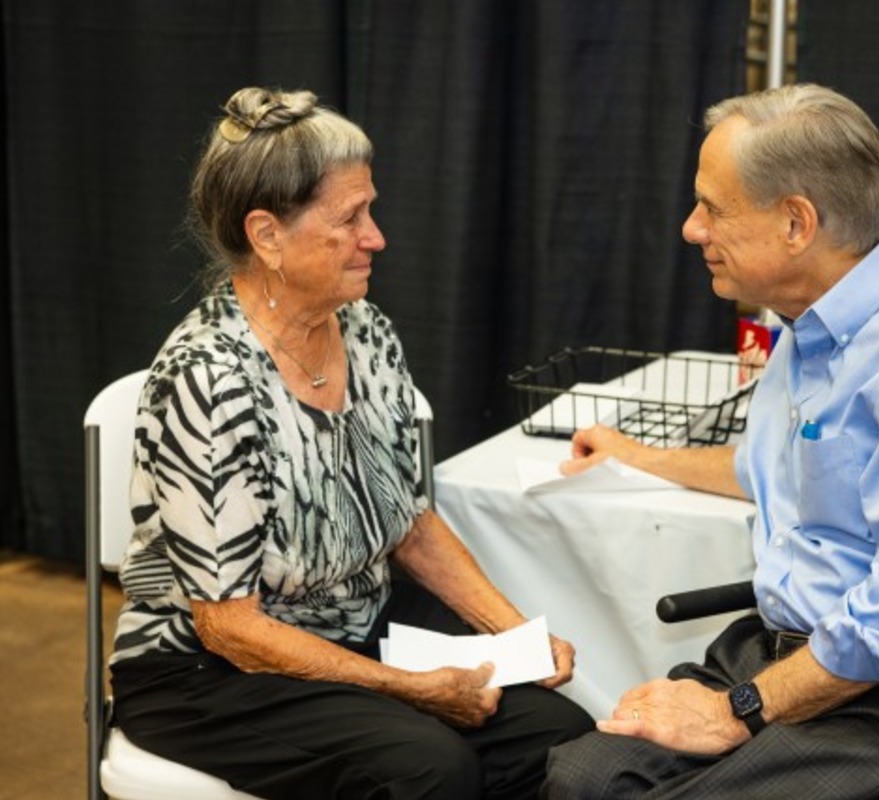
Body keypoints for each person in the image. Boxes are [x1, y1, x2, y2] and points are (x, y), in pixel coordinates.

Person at [541, 83, 879, 799]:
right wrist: (636, 455)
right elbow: (776, 471)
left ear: (796, 223)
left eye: (712, 209)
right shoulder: (809, 323)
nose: (692, 229)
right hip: (790, 658)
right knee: (581, 778)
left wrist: (737, 710)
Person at [108, 86, 593, 800]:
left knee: (554, 732)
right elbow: (229, 626)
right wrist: (411, 689)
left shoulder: (364, 331)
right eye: (351, 218)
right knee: (430, 769)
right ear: (268, 235)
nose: (377, 237)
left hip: (355, 622)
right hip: (206, 671)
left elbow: (411, 525)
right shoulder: (208, 380)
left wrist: (517, 635)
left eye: (371, 209)